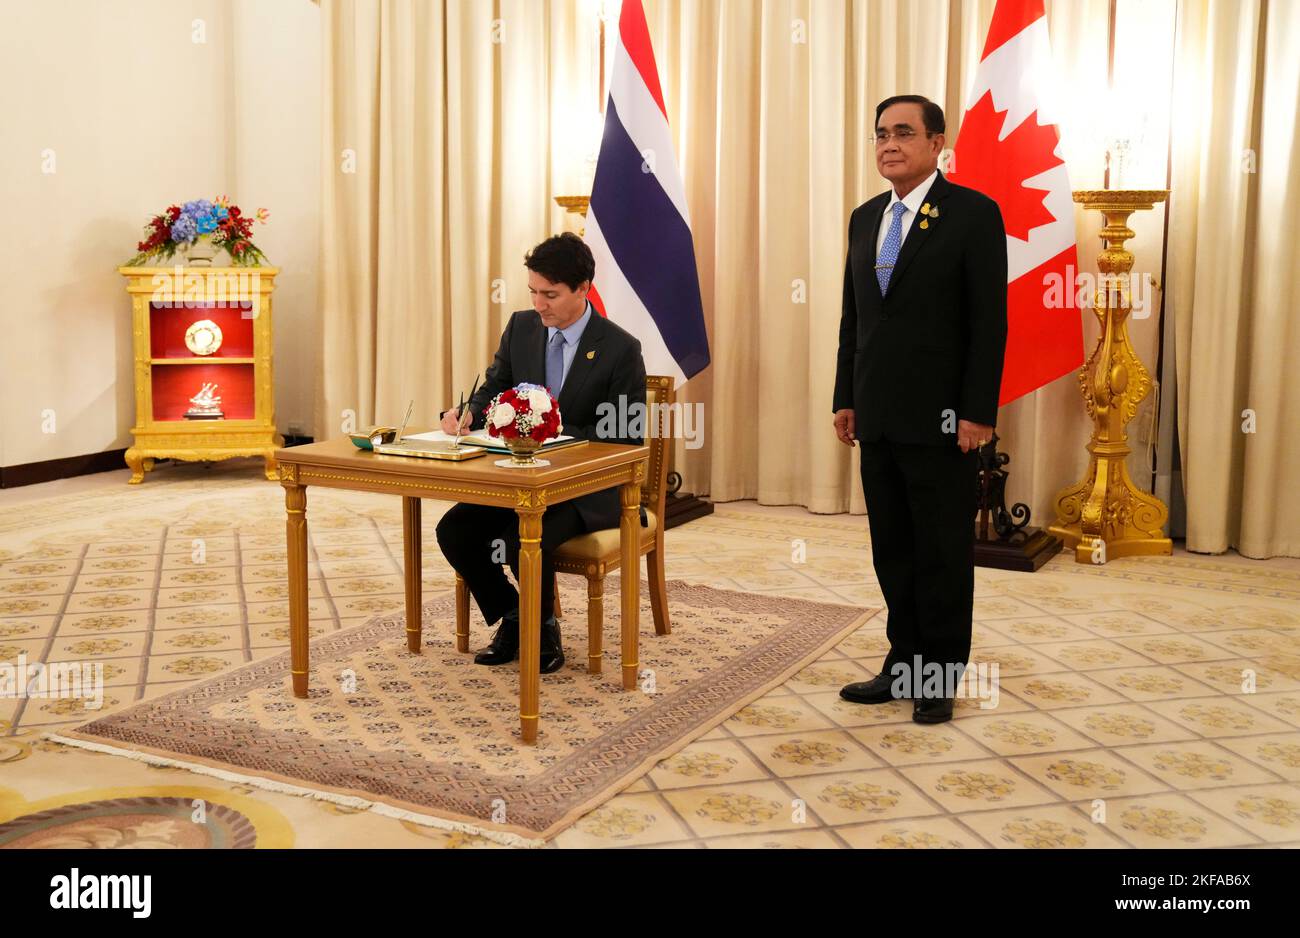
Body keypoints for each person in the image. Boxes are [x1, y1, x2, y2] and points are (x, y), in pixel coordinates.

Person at [833, 95, 1008, 724]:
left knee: (940, 552)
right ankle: (902, 662)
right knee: (893, 550)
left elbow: (989, 322)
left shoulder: (973, 214)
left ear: (937, 143)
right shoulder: (865, 217)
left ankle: (939, 674)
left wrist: (977, 411)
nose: (889, 144)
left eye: (904, 132)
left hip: (944, 421)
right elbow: (855, 317)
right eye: (881, 133)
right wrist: (845, 396)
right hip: (877, 415)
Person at [436, 233, 647, 674]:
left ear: (583, 288)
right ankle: (517, 617)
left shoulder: (620, 349)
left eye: (550, 294)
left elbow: (624, 437)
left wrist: (552, 430)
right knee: (455, 530)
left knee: (521, 538)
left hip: (587, 490)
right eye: (533, 291)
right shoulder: (522, 328)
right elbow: (495, 387)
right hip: (522, 480)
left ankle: (543, 627)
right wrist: (468, 412)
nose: (539, 304)